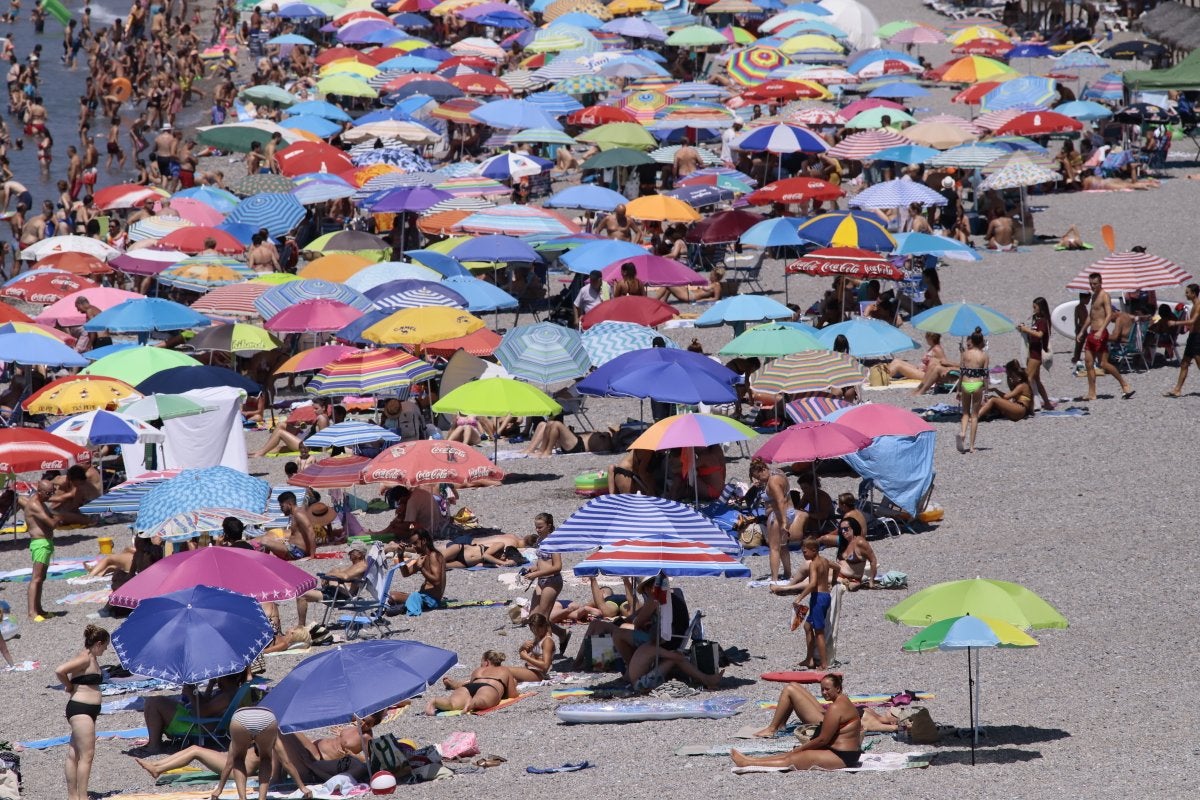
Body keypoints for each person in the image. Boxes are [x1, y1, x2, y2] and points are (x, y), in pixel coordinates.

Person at [136, 712, 385, 786]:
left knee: (196, 750)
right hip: (254, 757)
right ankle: (158, 766)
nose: (359, 716)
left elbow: (363, 762)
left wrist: (350, 754)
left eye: (364, 716)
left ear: (370, 721)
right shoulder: (354, 728)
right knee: (195, 749)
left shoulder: (365, 739)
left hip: (248, 765)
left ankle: (158, 768)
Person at [732, 674, 863, 770]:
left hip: (843, 756)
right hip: (846, 753)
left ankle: (749, 763)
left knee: (792, 759)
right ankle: (751, 760)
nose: (824, 693)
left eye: (827, 689)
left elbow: (823, 739)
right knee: (791, 754)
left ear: (838, 688)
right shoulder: (843, 700)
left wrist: (801, 748)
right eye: (822, 689)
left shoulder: (835, 708)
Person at [210, 707, 312, 800]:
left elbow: (229, 764)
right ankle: (262, 798)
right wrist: (303, 788)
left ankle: (242, 798)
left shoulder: (235, 743)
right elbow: (286, 762)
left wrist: (219, 790)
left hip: (240, 717)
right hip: (266, 718)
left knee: (238, 760)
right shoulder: (274, 739)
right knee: (266, 759)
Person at [55, 625, 109, 800]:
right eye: (105, 646)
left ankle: (73, 796)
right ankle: (82, 796)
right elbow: (60, 670)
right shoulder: (84, 658)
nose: (106, 649)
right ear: (98, 643)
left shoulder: (91, 657)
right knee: (87, 755)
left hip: (86, 710)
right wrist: (69, 686)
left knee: (74, 754)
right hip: (81, 709)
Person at [141, 671, 248, 754]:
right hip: (200, 722)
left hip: (197, 725)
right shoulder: (231, 692)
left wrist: (191, 694)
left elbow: (202, 713)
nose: (218, 678)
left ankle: (154, 745)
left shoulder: (226, 697)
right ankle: (155, 740)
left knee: (154, 702)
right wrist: (209, 685)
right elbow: (206, 703)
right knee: (156, 701)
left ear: (225, 677)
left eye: (220, 676)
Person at [1077, 272, 1134, 401]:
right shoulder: (1093, 296)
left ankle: (1124, 384)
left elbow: (1109, 315)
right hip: (1092, 333)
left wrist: (1101, 330)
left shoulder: (1104, 296)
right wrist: (1082, 331)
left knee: (1103, 363)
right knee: (1088, 363)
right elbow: (1091, 316)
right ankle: (1092, 393)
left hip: (1100, 333)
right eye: (1091, 284)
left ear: (1100, 283)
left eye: (1095, 284)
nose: (1092, 286)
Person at [520, 512, 571, 648]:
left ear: (549, 526)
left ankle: (543, 647)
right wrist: (534, 569)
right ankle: (562, 633)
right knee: (533, 618)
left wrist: (537, 573)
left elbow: (557, 567)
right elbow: (542, 561)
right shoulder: (540, 540)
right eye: (536, 527)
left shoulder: (554, 542)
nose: (537, 530)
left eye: (540, 527)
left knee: (542, 619)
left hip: (552, 581)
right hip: (541, 580)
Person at [295, 541, 369, 626]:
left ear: (359, 554)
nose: (349, 554)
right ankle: (301, 627)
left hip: (340, 596)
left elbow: (345, 576)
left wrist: (330, 575)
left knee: (302, 596)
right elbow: (338, 570)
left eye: (351, 552)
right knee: (303, 592)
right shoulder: (355, 565)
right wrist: (330, 573)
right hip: (335, 592)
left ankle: (301, 627)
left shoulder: (362, 566)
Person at [425, 650, 518, 715]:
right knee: (481, 700)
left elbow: (472, 685)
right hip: (488, 688)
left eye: (481, 662)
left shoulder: (478, 670)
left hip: (469, 687)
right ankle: (472, 704)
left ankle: (435, 701)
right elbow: (512, 694)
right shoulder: (504, 670)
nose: (480, 664)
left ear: (486, 662)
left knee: (452, 703)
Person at [791, 539, 834, 670]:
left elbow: (812, 583)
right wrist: (833, 581)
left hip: (818, 598)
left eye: (805, 552)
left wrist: (799, 597)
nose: (803, 554)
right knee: (807, 626)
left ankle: (824, 664)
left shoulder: (813, 564)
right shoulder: (825, 560)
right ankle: (809, 659)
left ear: (814, 550)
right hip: (825, 596)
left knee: (819, 632)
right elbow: (837, 567)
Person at [748, 457, 794, 582]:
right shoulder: (778, 472)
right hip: (789, 511)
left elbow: (780, 501)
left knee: (774, 548)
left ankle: (774, 579)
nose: (758, 480)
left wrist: (783, 522)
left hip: (778, 515)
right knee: (783, 545)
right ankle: (788, 574)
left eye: (758, 477)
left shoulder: (772, 482)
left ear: (763, 469)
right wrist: (763, 484)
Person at [388, 528, 446, 616]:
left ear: (424, 541)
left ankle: (406, 607)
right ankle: (406, 605)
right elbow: (406, 573)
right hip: (422, 596)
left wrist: (421, 568)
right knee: (389, 595)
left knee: (394, 597)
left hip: (431, 600)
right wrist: (400, 555)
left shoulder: (434, 555)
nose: (413, 547)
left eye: (415, 543)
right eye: (412, 544)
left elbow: (437, 581)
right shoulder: (423, 557)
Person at [23, 479, 57, 621]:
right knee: (36, 578)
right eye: (48, 493)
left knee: (41, 578)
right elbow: (51, 523)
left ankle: (39, 609)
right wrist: (59, 518)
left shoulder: (41, 502)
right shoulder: (35, 504)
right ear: (40, 491)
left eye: (53, 492)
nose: (51, 495)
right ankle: (32, 612)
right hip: (40, 544)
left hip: (45, 543)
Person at [1017, 297, 1055, 411]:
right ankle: (1047, 403)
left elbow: (1039, 335)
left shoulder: (1042, 321)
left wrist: (1026, 330)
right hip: (1033, 352)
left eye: (1035, 307)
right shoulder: (1037, 320)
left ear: (1041, 308)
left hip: (1036, 354)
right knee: (1036, 380)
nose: (1033, 309)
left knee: (1027, 379)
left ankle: (1028, 404)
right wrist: (1023, 329)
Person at [891, 332, 956, 395]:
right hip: (920, 370)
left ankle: (885, 377)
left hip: (925, 374)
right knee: (897, 361)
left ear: (930, 338)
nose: (925, 339)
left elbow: (944, 362)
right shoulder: (933, 347)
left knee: (898, 365)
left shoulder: (937, 349)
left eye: (926, 337)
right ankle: (886, 374)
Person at [957, 328, 989, 453]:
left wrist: (958, 390)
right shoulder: (984, 356)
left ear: (972, 341)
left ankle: (963, 432)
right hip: (977, 384)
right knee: (974, 416)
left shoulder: (965, 354)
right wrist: (986, 392)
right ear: (981, 342)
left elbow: (961, 372)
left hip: (965, 383)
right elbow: (985, 376)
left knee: (965, 413)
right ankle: (971, 446)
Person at [1165, 283, 1200, 397]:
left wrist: (1175, 323)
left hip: (1197, 338)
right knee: (1184, 363)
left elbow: (1192, 321)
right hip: (1192, 338)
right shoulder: (1194, 305)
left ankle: (1177, 389)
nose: (1186, 294)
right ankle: (1177, 390)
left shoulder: (1198, 306)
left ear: (1193, 293)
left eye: (1187, 292)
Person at [258, 492, 315, 561]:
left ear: (289, 504)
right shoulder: (296, 513)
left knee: (264, 541)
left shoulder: (299, 514)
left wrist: (312, 555)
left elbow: (311, 532)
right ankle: (264, 560)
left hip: (297, 552)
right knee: (270, 539)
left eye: (282, 506)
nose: (281, 509)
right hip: (293, 548)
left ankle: (263, 560)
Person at [522, 419, 612, 456]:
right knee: (548, 423)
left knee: (557, 424)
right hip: (576, 442)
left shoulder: (607, 441)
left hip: (579, 446)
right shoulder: (604, 436)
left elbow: (599, 447)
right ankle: (539, 449)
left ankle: (547, 451)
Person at [510, 612, 555, 682]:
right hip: (530, 670)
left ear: (544, 626)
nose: (535, 632)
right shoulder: (539, 637)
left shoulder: (547, 641)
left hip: (539, 673)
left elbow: (546, 665)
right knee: (503, 674)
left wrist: (527, 658)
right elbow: (522, 654)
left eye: (537, 629)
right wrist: (522, 647)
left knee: (506, 670)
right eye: (533, 630)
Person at [835, 517, 877, 590]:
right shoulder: (844, 542)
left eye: (846, 529)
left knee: (851, 586)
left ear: (853, 528)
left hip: (853, 579)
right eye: (841, 529)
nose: (843, 531)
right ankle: (840, 581)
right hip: (838, 573)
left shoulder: (860, 542)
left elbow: (873, 560)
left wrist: (871, 581)